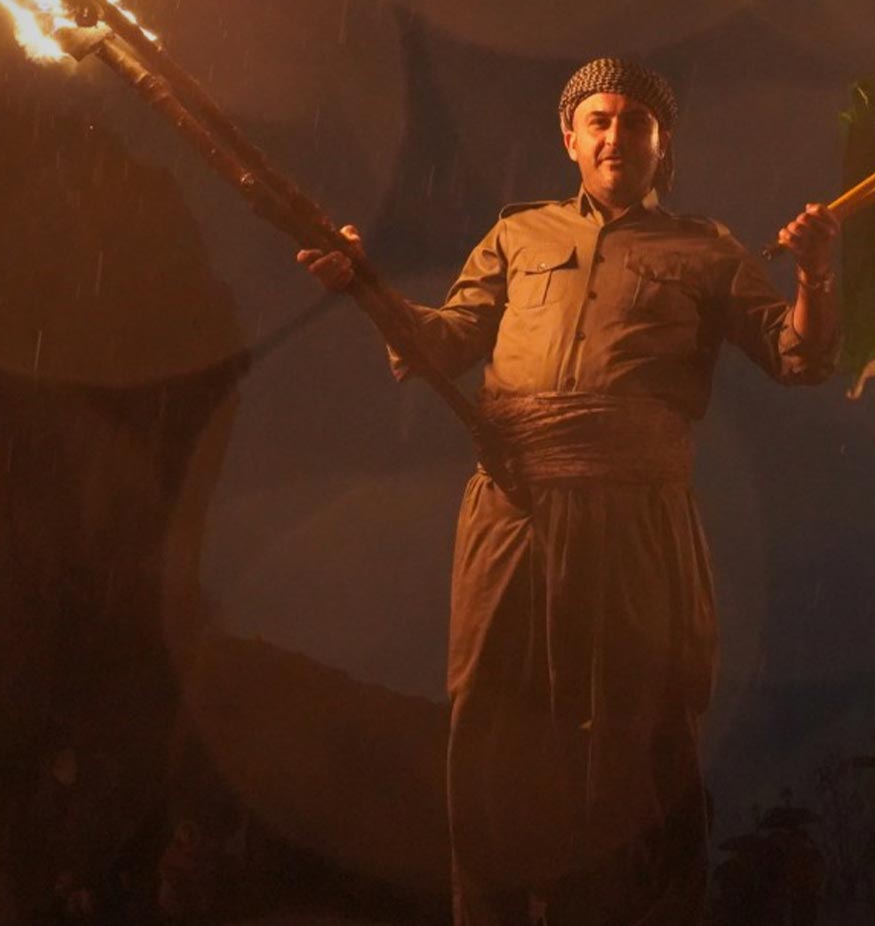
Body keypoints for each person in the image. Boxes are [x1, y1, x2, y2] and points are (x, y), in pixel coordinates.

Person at [299, 57, 840, 924]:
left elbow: (800, 357)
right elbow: (441, 343)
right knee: (489, 719)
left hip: (634, 515)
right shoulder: (517, 236)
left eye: (635, 122)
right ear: (569, 138)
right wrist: (366, 288)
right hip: (512, 505)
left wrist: (813, 274)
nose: (616, 134)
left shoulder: (706, 250)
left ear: (663, 145)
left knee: (634, 732)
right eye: (599, 119)